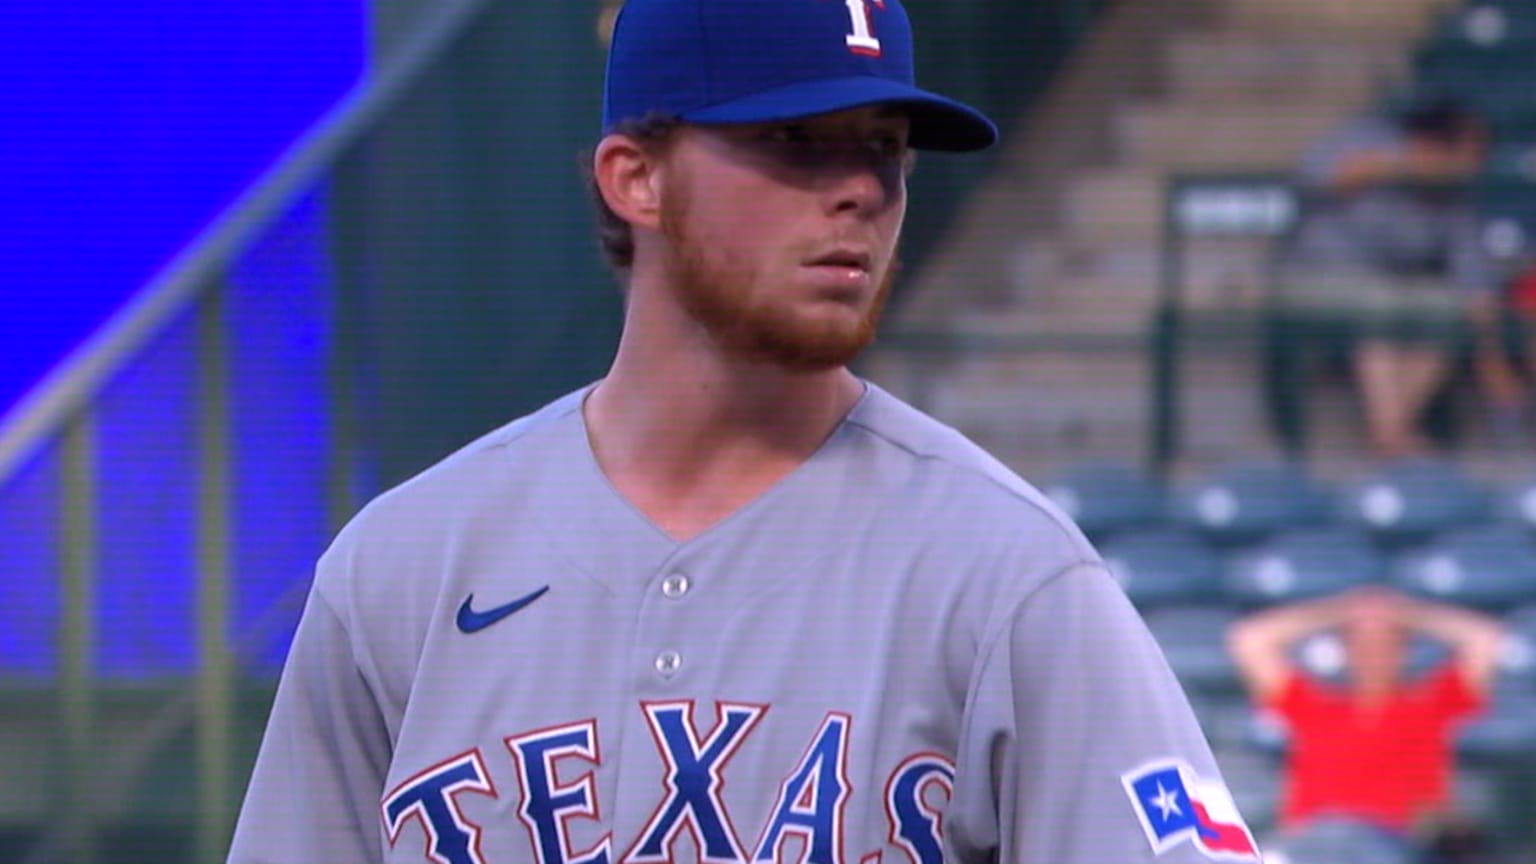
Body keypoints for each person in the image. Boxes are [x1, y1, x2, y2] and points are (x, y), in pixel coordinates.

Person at [226, 1, 1260, 862]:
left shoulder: (1008, 577)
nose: (863, 190)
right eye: (796, 141)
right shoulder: (404, 570)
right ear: (635, 178)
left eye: (887, 150)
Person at [1278, 98, 1506, 459]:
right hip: (1314, 278)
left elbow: (1474, 280)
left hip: (1394, 289)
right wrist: (1401, 165)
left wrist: (1492, 358)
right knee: (1378, 307)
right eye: (1467, 152)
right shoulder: (1369, 137)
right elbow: (1313, 176)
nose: (1473, 163)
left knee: (1447, 310)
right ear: (1433, 143)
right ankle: (1391, 436)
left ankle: (1390, 433)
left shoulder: (1455, 197)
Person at [1226, 585, 1507, 844]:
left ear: (1403, 652)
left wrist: (1403, 612)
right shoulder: (1311, 706)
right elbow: (1251, 639)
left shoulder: (1433, 705)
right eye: (1362, 645)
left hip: (1405, 847)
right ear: (1347, 652)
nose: (1374, 655)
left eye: (1386, 645)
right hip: (1319, 848)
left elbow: (1485, 639)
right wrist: (1342, 610)